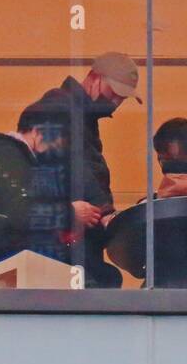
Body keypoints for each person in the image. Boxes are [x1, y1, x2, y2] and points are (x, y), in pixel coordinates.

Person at [34, 52, 142, 288]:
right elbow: (73, 162)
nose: (115, 102)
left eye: (122, 97)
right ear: (94, 77)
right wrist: (105, 212)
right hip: (65, 240)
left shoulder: (77, 113)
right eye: (114, 92)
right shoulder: (59, 106)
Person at [0, 99, 93, 270]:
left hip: (4, 261)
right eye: (58, 144)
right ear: (39, 132)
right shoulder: (6, 155)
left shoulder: (4, 155)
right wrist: (73, 213)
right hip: (11, 263)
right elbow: (24, 212)